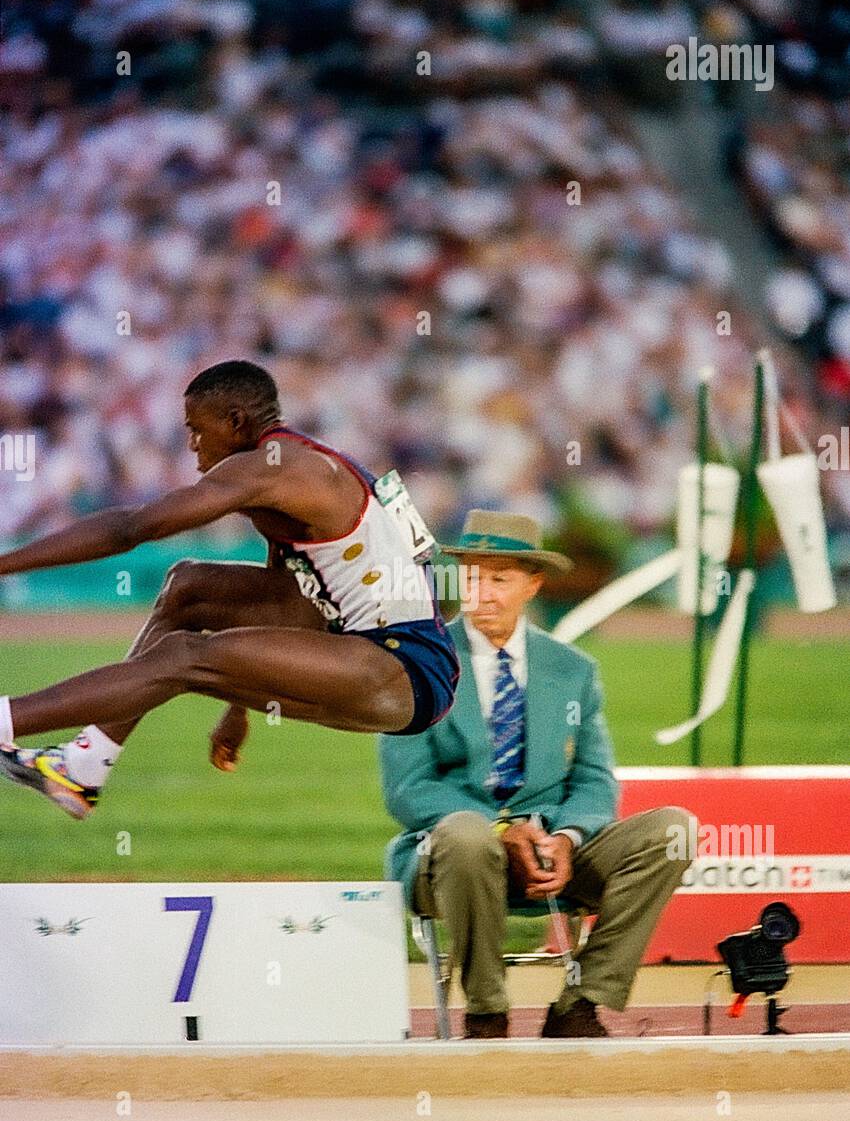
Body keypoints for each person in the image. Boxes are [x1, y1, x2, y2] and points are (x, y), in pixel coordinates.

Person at [0, 360, 459, 817]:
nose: (192, 445)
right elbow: (288, 595)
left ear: (236, 422)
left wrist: (6, 564)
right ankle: (85, 765)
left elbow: (131, 528)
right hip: (366, 645)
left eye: (197, 430)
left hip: (405, 667)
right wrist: (237, 705)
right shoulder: (295, 464)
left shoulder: (271, 471)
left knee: (182, 656)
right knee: (190, 586)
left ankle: (8, 717)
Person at [379, 510, 696, 1038]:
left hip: (552, 850)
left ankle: (581, 1003)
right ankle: (486, 1012)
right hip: (453, 856)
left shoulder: (572, 669)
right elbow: (407, 788)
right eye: (472, 577)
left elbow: (595, 781)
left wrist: (567, 838)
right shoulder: (416, 663)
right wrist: (502, 830)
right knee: (467, 834)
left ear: (534, 585)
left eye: (499, 578)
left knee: (675, 831)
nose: (482, 592)